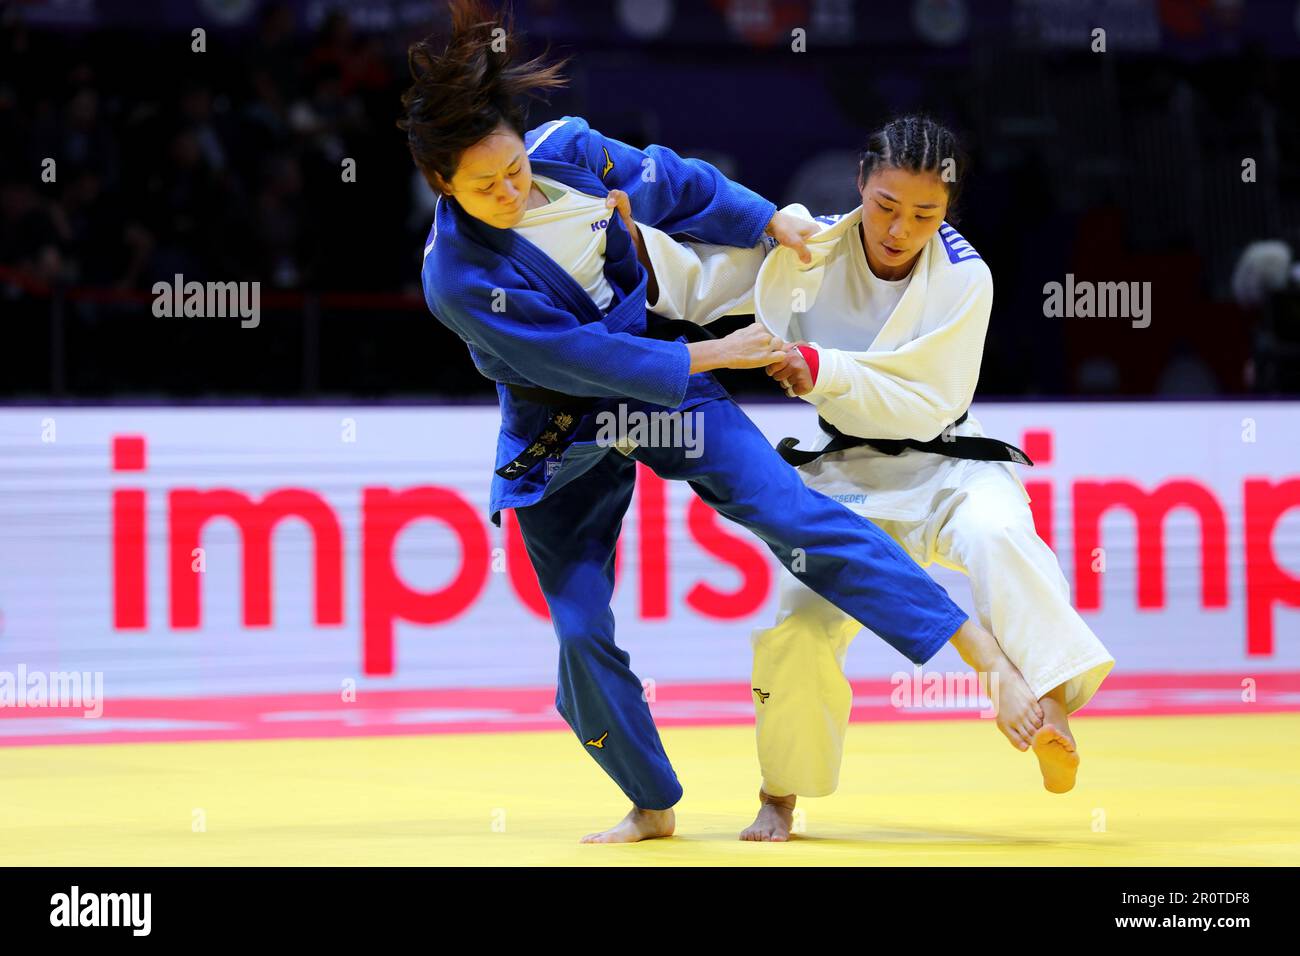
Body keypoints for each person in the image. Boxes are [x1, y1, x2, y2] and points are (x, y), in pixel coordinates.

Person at [403, 4, 1042, 843]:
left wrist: (763, 218)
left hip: (663, 402)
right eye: (488, 187)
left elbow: (673, 182)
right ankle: (651, 801)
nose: (514, 190)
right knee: (581, 629)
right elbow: (584, 362)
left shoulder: (566, 151)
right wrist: (720, 354)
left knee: (797, 513)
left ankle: (981, 655)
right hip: (562, 433)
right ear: (441, 185)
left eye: (516, 169)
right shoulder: (456, 277)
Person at [728, 116, 1116, 840]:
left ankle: (1052, 701)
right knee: (800, 625)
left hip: (949, 462)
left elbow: (922, 399)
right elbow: (726, 278)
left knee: (1000, 533)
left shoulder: (967, 277)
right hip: (843, 472)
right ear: (860, 188)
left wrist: (819, 369)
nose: (900, 228)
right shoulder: (812, 246)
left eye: (924, 215)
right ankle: (780, 793)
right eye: (885, 207)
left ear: (949, 213)